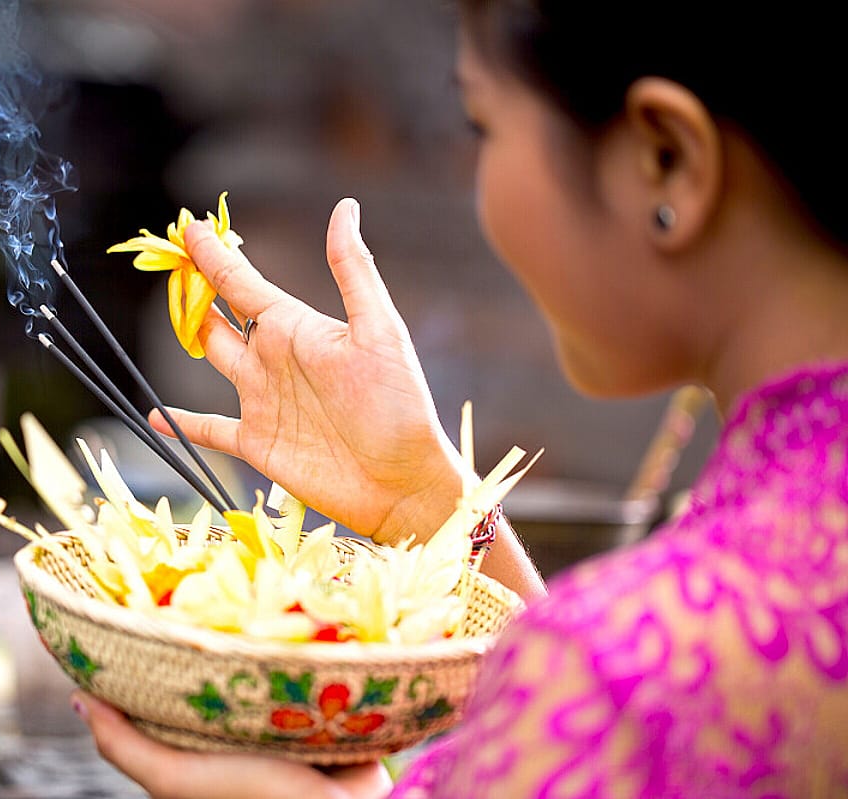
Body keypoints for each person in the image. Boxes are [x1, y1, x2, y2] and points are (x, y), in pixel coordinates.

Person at [68, 2, 848, 796]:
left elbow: (618, 694)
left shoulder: (615, 669)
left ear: (666, 158)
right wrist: (431, 506)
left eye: (484, 124)